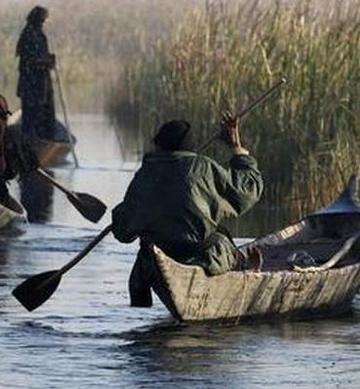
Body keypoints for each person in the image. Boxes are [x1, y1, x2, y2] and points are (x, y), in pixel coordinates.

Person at [111, 113, 264, 307]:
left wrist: (123, 211)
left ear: (159, 145)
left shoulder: (145, 173)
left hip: (154, 262)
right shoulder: (204, 168)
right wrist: (236, 149)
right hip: (204, 259)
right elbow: (248, 189)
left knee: (148, 251)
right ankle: (244, 267)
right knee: (221, 238)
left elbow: (122, 233)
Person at [14, 5, 58, 138]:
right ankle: (34, 141)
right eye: (44, 19)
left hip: (38, 86)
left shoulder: (35, 33)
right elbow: (29, 61)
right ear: (38, 19)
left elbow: (37, 56)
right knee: (32, 118)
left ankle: (41, 139)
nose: (45, 22)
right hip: (32, 87)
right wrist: (47, 62)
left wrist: (47, 59)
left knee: (40, 117)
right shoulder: (30, 35)